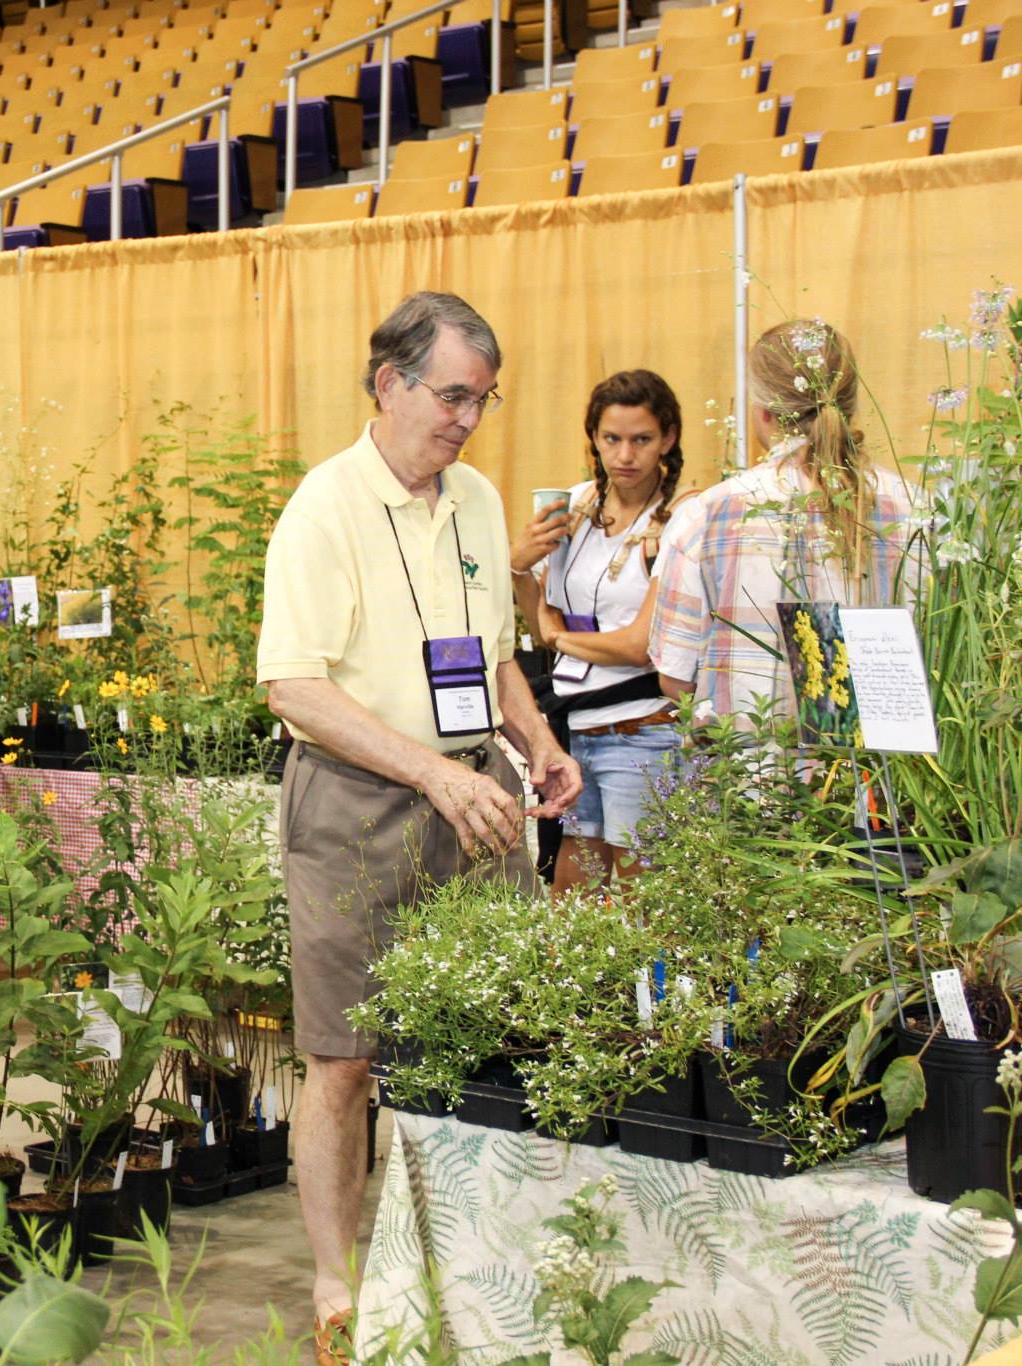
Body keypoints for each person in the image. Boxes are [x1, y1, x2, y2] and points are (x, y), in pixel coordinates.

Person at [255, 291, 581, 1361]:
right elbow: (292, 686)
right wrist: (432, 775)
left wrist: (532, 738)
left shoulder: (477, 499)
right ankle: (336, 1285)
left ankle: (469, 1264)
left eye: (480, 402)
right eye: (449, 396)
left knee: (488, 1040)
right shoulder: (322, 508)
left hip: (472, 791)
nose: (464, 421)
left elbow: (488, 656)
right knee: (343, 1059)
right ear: (388, 383)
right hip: (355, 805)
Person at [649, 319, 917, 719]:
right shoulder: (916, 510)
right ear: (852, 405)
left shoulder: (709, 516)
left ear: (763, 412)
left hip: (753, 772)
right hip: (892, 777)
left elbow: (675, 677)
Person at [509, 371, 693, 888]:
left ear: (668, 439)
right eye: (612, 439)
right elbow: (539, 613)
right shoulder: (577, 503)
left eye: (641, 440)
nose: (625, 456)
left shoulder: (681, 515)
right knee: (572, 896)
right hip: (575, 726)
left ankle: (648, 976)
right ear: (593, 437)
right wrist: (518, 567)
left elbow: (641, 644)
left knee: (644, 899)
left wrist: (560, 638)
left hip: (644, 728)